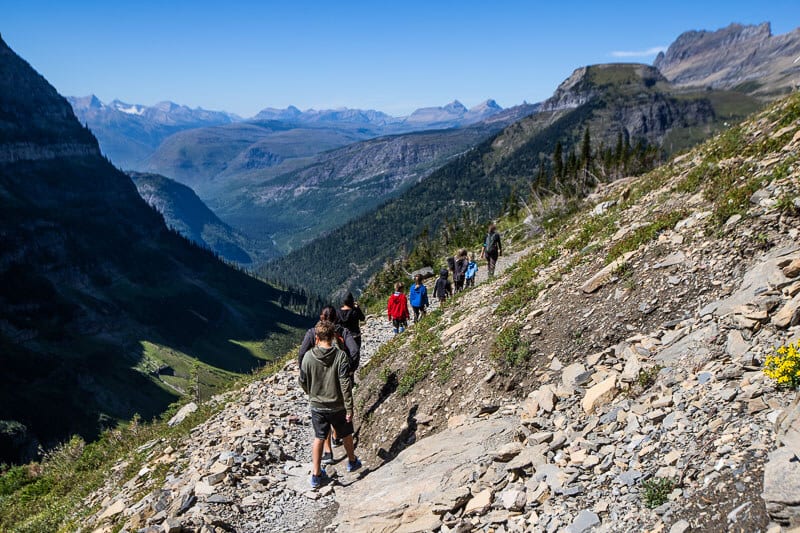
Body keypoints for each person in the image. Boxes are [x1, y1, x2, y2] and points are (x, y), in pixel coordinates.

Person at [299, 320, 362, 488]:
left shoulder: (308, 357)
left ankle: (316, 474)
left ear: (316, 338)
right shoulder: (340, 356)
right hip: (338, 405)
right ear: (334, 336)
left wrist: (310, 393)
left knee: (319, 437)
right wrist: (349, 407)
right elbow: (345, 383)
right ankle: (352, 461)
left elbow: (303, 380)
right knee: (346, 433)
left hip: (317, 405)